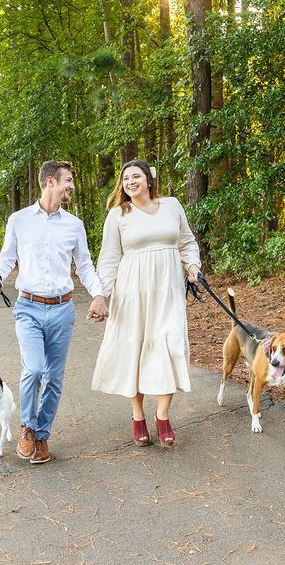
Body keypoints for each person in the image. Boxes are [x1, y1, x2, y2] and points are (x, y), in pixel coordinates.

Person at [0, 160, 108, 465]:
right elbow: (6, 257)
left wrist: (98, 294)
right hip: (27, 306)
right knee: (35, 369)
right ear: (50, 182)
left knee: (54, 377)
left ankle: (42, 436)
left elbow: (84, 266)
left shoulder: (74, 225)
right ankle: (27, 426)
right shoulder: (19, 220)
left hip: (62, 310)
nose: (71, 186)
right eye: (67, 180)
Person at [90, 159, 200, 447]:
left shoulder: (172, 205)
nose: (130, 182)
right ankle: (137, 416)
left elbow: (187, 242)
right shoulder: (117, 215)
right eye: (126, 178)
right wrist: (101, 296)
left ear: (149, 180)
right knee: (135, 350)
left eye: (136, 176)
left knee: (169, 345)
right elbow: (109, 258)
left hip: (168, 289)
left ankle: (162, 416)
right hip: (131, 291)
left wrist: (192, 266)